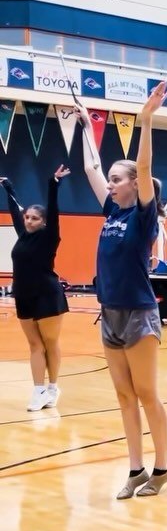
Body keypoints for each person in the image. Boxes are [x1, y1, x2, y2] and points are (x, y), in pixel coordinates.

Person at [78, 83, 167, 499]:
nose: (111, 185)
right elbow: (89, 170)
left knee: (147, 392)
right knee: (123, 395)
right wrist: (84, 126)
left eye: (118, 180)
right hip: (110, 312)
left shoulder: (144, 216)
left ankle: (162, 467)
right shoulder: (112, 209)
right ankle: (135, 470)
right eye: (112, 180)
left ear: (135, 184)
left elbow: (145, 165)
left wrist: (146, 119)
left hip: (138, 312)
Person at [1, 166, 70, 410]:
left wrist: (53, 184)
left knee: (50, 343)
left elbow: (54, 212)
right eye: (27, 217)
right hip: (24, 295)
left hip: (48, 295)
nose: (28, 221)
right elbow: (13, 210)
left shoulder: (49, 236)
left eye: (34, 218)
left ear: (43, 222)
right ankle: (38, 390)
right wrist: (8, 187)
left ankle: (52, 388)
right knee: (34, 345)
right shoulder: (23, 235)